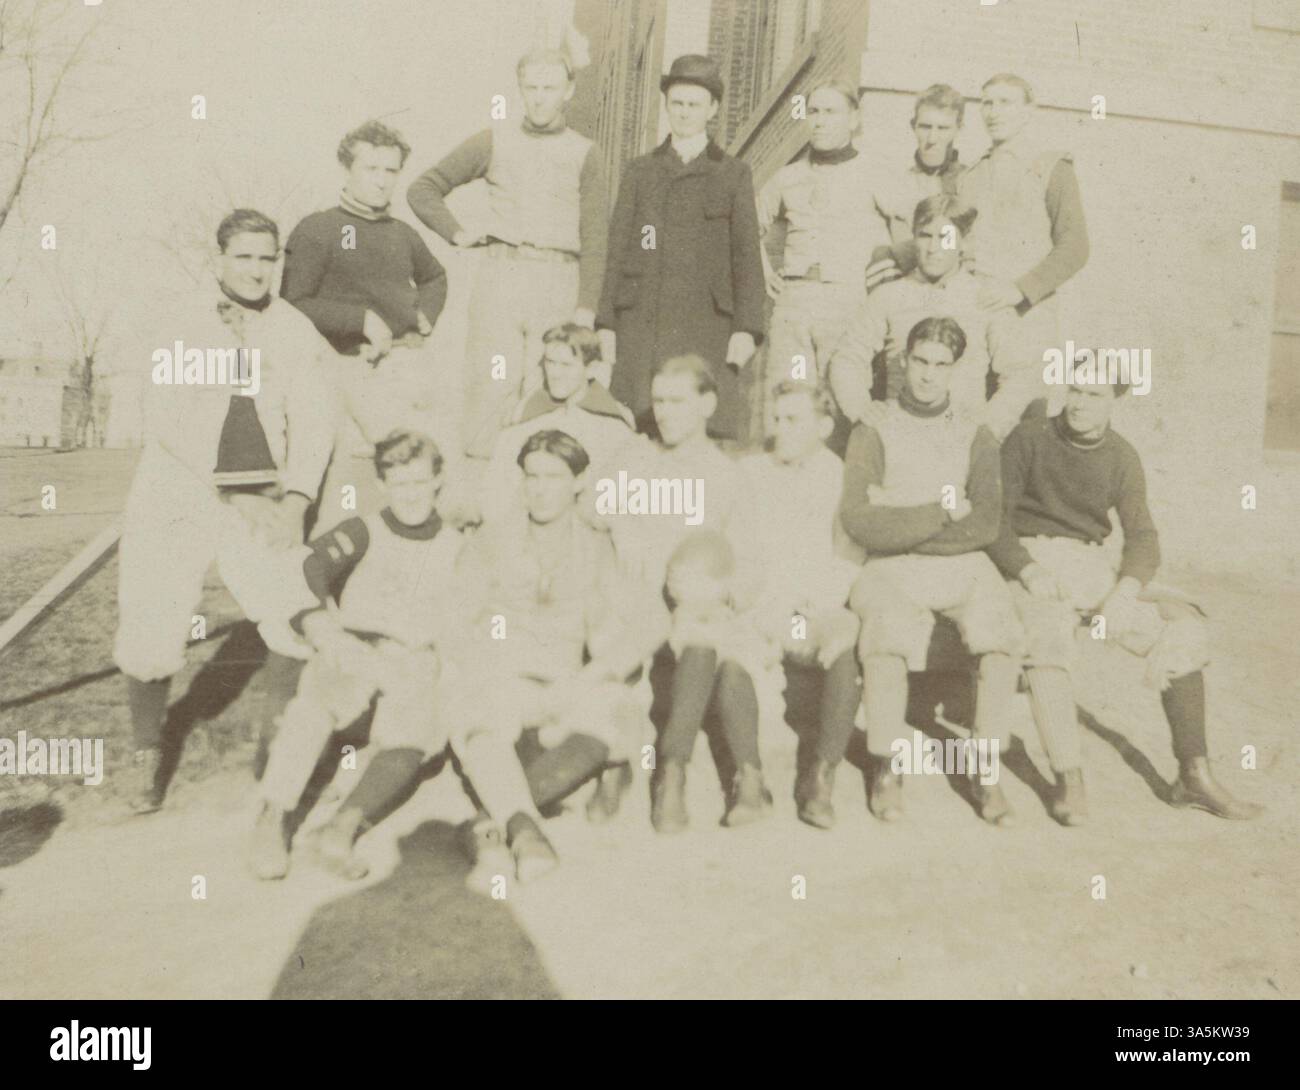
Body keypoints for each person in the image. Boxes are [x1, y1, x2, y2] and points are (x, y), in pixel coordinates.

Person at [115, 209, 336, 813]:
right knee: (152, 624)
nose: (257, 269)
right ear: (220, 258)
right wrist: (227, 488)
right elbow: (166, 418)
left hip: (261, 495)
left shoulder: (293, 328)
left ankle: (279, 753)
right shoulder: (182, 319)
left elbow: (316, 421)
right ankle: (145, 754)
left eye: (268, 258)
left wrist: (296, 498)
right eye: (244, 256)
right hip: (178, 488)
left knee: (290, 608)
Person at [988, 377, 1264, 825]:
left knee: (1182, 632)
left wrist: (1125, 591)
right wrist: (1027, 569)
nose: (1079, 404)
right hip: (1032, 561)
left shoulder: (1120, 455)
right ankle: (1068, 779)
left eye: (1094, 395)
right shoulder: (1029, 437)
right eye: (1074, 391)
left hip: (1089, 567)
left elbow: (1143, 537)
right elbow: (992, 522)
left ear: (1115, 400)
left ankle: (1194, 777)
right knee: (1048, 645)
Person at [445, 430, 662, 883]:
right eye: (531, 477)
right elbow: (455, 620)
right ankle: (525, 830)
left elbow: (651, 622)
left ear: (579, 482)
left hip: (566, 684)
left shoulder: (596, 544)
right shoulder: (493, 539)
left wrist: (597, 672)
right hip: (504, 678)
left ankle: (489, 819)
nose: (540, 489)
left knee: (619, 717)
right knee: (478, 714)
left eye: (554, 477)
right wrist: (483, 664)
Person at [249, 431, 466, 880]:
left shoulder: (453, 543)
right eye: (399, 483)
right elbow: (309, 565)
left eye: (419, 483)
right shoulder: (364, 529)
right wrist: (320, 622)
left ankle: (340, 830)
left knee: (419, 732)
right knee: (315, 705)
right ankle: (272, 819)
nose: (410, 495)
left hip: (414, 656)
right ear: (383, 484)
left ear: (439, 480)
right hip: (357, 647)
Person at [840, 317, 1024, 825]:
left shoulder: (975, 432)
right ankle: (886, 766)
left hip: (961, 563)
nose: (927, 375)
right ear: (904, 361)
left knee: (1001, 628)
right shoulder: (874, 426)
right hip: (890, 565)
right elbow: (860, 521)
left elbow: (986, 523)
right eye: (919, 361)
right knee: (888, 628)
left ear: (955, 371)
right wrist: (941, 511)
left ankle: (985, 770)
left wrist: (898, 515)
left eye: (940, 365)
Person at [407, 48, 609, 460]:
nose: (539, 98)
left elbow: (595, 238)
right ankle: (483, 500)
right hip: (501, 280)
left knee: (550, 391)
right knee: (491, 386)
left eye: (549, 88)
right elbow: (423, 189)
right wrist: (458, 232)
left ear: (568, 90)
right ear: (520, 89)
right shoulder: (494, 140)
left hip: (559, 282)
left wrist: (586, 307)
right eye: (530, 87)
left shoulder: (585, 152)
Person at [281, 119, 449, 527]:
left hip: (403, 376)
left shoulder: (402, 234)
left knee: (415, 485)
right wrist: (360, 319)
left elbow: (436, 276)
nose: (381, 182)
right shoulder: (319, 229)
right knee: (346, 501)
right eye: (371, 169)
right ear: (347, 168)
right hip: (341, 375)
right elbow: (292, 304)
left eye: (390, 171)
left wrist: (424, 314)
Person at [597, 54, 765, 442]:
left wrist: (746, 329)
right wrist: (606, 323)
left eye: (694, 104)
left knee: (697, 425)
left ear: (713, 109)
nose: (685, 112)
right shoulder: (640, 171)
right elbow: (617, 250)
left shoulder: (733, 174)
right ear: (667, 105)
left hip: (706, 324)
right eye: (677, 103)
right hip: (643, 321)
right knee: (639, 425)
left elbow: (747, 258)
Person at [734, 380, 863, 828]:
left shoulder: (839, 476)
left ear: (824, 426)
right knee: (735, 651)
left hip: (811, 609)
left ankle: (821, 778)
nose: (780, 429)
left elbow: (849, 555)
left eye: (793, 420)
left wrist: (816, 602)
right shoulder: (751, 474)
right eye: (776, 419)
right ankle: (748, 778)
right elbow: (738, 550)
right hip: (761, 607)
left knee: (843, 639)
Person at [829, 193, 1037, 439]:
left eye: (945, 238)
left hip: (962, 438)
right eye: (925, 236)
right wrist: (861, 408)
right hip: (900, 435)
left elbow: (1020, 374)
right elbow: (847, 359)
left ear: (964, 243)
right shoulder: (889, 296)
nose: (932, 249)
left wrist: (988, 427)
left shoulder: (985, 298)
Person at [755, 82, 891, 434]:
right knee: (789, 399)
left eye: (831, 112)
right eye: (813, 111)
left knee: (841, 402)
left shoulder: (875, 171)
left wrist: (888, 265)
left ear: (854, 118)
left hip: (847, 304)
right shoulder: (789, 176)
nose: (820, 121)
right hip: (795, 306)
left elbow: (913, 225)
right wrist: (762, 268)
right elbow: (744, 226)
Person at [958, 74, 1089, 414]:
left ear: (1029, 111)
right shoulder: (969, 176)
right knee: (965, 410)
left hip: (1026, 312)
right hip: (974, 308)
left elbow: (1074, 245)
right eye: (987, 103)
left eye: (1006, 102)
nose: (994, 112)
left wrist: (1021, 290)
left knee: (1022, 415)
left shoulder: (1052, 167)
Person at [478, 323, 634, 526]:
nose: (555, 374)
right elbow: (496, 492)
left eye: (566, 365)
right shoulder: (524, 420)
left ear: (591, 369)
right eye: (551, 363)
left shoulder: (612, 428)